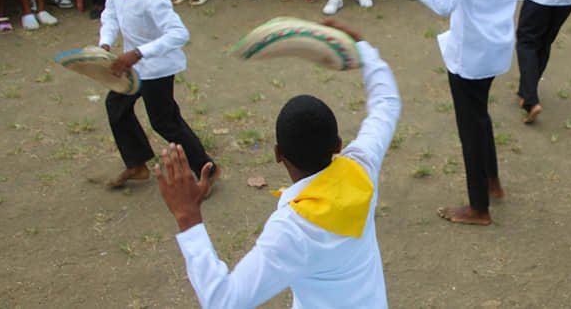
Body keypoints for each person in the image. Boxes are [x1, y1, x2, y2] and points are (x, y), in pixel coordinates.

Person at [156, 19, 399, 307]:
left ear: (278, 154)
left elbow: (223, 301)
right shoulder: (361, 168)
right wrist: (364, 50)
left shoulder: (293, 230)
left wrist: (188, 217)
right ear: (338, 145)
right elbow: (386, 102)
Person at [371, 0, 535, 226]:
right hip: (496, 41)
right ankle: (491, 183)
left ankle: (479, 208)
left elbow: (443, 0)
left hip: (472, 48)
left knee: (470, 124)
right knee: (479, 114)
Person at [98, 0, 220, 192]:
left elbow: (179, 33)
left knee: (165, 122)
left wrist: (138, 52)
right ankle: (136, 164)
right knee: (116, 106)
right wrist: (105, 43)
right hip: (133, 66)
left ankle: (207, 169)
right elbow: (110, 15)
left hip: (157, 68)